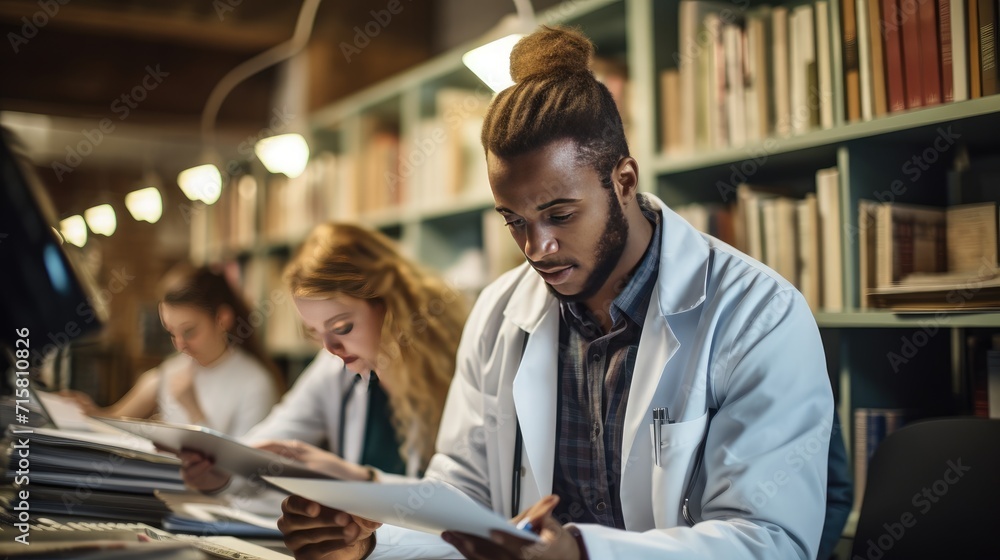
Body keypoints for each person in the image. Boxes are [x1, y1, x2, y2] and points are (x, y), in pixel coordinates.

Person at [276, 26, 845, 560]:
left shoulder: (758, 313)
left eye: (560, 214)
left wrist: (583, 552)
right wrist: (371, 546)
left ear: (623, 181)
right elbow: (461, 496)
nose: (537, 247)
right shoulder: (499, 314)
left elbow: (770, 539)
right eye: (514, 220)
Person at [179, 223, 468, 495]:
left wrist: (357, 478)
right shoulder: (334, 369)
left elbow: (459, 498)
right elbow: (271, 440)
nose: (331, 348)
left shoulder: (457, 366)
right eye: (316, 333)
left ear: (390, 304)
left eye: (342, 327)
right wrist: (224, 471)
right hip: (366, 546)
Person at [66, 264, 283, 438]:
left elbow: (244, 472)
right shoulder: (171, 371)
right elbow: (111, 421)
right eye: (171, 332)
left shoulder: (255, 384)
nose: (180, 345)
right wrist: (85, 411)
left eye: (189, 332)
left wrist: (194, 410)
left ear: (222, 319)